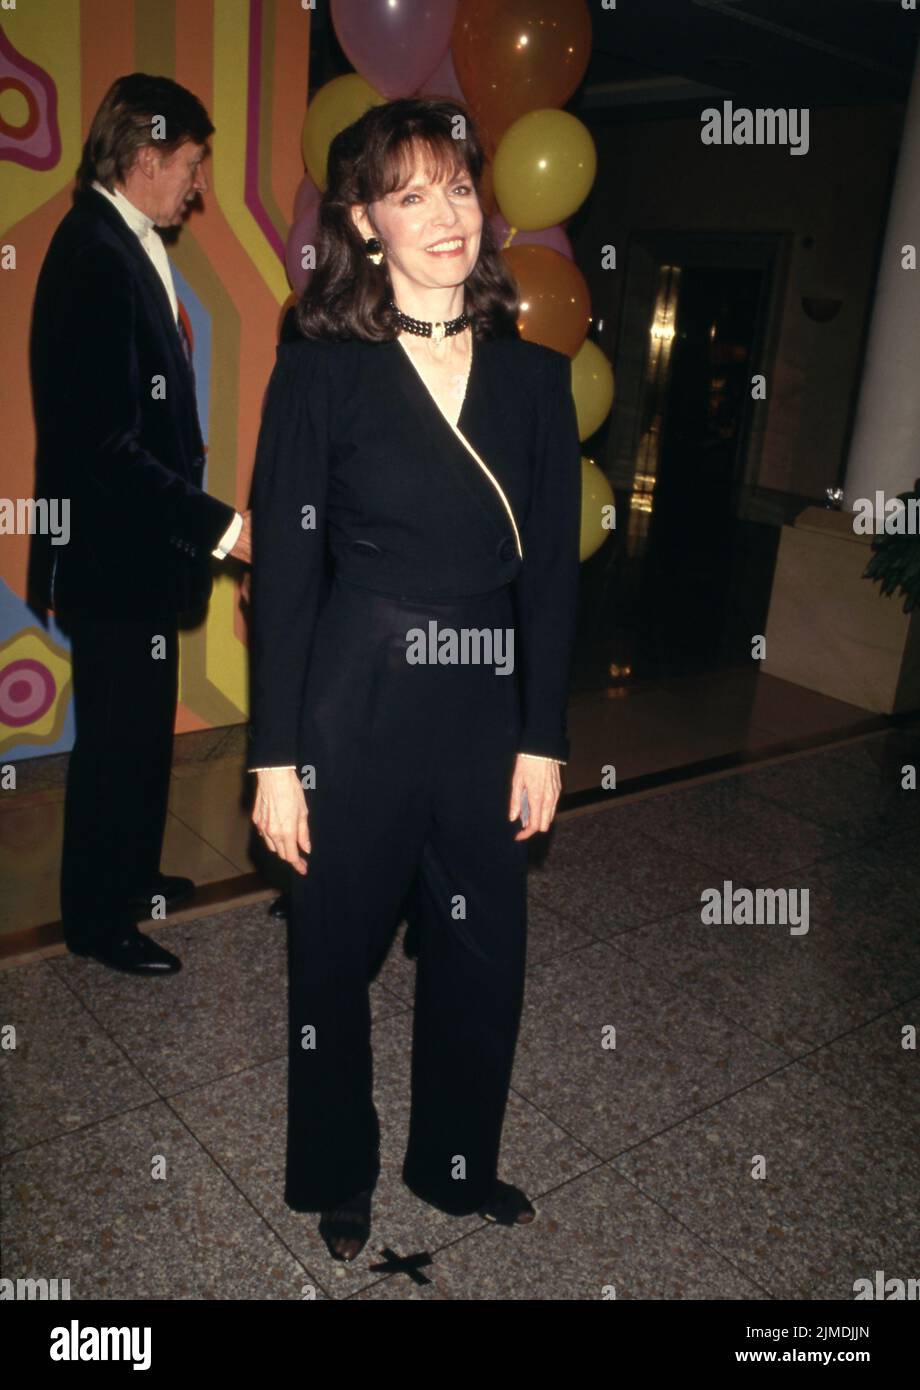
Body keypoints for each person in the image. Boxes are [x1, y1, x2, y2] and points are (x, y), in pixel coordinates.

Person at [248, 97, 581, 1261]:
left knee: (485, 951)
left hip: (484, 705)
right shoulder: (320, 372)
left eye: (456, 188)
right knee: (332, 952)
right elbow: (286, 578)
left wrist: (543, 736)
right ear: (363, 219)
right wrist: (273, 759)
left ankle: (451, 1166)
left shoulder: (536, 383)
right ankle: (336, 1167)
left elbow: (550, 584)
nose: (443, 216)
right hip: (357, 696)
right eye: (408, 194)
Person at [30, 74, 251, 976]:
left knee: (139, 733)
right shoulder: (94, 251)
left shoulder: (126, 241)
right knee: (116, 742)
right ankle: (97, 919)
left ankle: (134, 877)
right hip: (111, 558)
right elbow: (104, 444)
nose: (200, 186)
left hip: (138, 557)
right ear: (146, 156)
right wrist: (224, 529)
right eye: (193, 164)